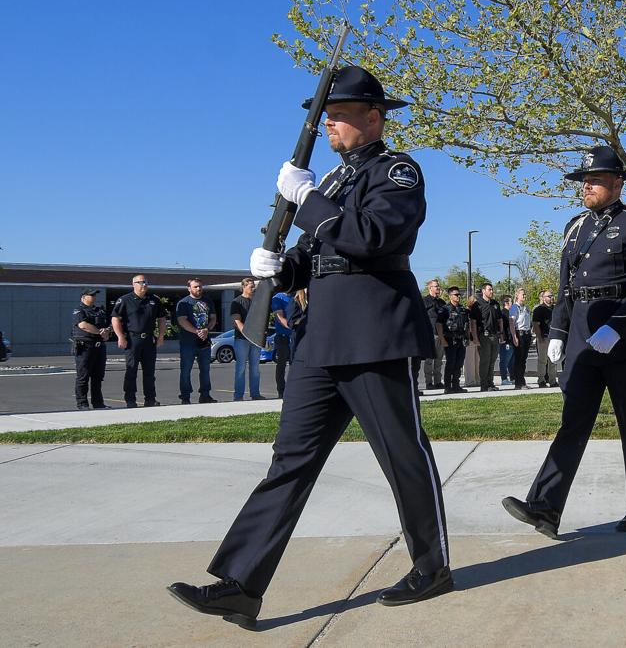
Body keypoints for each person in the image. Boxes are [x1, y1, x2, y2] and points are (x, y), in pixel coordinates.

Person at [167, 65, 451, 627]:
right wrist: (279, 266)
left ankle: (432, 564)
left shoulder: (398, 172)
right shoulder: (335, 183)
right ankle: (240, 583)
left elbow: (369, 238)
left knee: (403, 457)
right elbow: (318, 253)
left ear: (374, 118)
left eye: (340, 116)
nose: (329, 127)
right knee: (289, 461)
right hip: (321, 340)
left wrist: (308, 201)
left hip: (374, 336)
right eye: (327, 118)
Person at [501, 145, 626, 537]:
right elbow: (566, 286)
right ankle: (545, 508)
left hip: (623, 335)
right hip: (580, 332)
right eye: (584, 181)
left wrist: (620, 325)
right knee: (573, 420)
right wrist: (558, 331)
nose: (586, 187)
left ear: (617, 183)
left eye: (594, 180)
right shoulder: (575, 227)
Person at [110, 274, 167, 408]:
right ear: (133, 284)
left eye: (146, 282)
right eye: (141, 282)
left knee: (149, 372)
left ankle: (150, 399)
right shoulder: (124, 300)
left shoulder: (154, 300)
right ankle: (130, 400)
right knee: (131, 371)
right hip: (132, 339)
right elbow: (115, 318)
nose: (144, 285)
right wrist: (120, 336)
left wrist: (161, 336)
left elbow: (162, 319)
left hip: (148, 339)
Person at [176, 278, 217, 404]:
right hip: (188, 342)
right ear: (189, 288)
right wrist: (197, 331)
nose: (198, 289)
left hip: (204, 342)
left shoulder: (207, 301)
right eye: (195, 287)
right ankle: (185, 396)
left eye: (200, 286)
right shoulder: (183, 303)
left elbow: (213, 318)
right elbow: (182, 320)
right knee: (186, 370)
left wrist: (207, 329)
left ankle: (205, 395)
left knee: (205, 369)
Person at [71, 288, 111, 410]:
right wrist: (100, 332)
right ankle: (82, 403)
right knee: (83, 376)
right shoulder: (79, 310)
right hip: (85, 347)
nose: (93, 297)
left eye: (94, 295)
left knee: (98, 377)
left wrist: (107, 330)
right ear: (83, 297)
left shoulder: (99, 311)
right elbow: (83, 325)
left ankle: (98, 403)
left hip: (99, 347)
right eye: (91, 295)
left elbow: (109, 325)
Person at [229, 278, 265, 401]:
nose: (253, 288)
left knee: (255, 368)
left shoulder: (258, 301)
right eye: (251, 286)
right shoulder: (236, 302)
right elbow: (237, 321)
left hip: (256, 340)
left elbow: (261, 319)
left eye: (254, 286)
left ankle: (255, 394)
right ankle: (238, 396)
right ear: (243, 287)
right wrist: (248, 334)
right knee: (241, 368)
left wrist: (260, 334)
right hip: (242, 340)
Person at [470, 283, 502, 391]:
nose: (492, 291)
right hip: (483, 336)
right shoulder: (477, 305)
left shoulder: (495, 304)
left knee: (492, 361)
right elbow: (473, 322)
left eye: (492, 289)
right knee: (485, 360)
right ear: (483, 291)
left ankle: (490, 383)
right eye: (489, 289)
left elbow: (499, 320)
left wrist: (501, 333)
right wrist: (475, 337)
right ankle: (484, 385)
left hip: (495, 335)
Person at [438, 286, 470, 393]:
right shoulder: (445, 309)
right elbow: (439, 324)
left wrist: (467, 337)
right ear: (450, 296)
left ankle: (456, 385)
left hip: (461, 340)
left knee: (459, 363)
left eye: (459, 294)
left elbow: (467, 324)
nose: (458, 296)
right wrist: (442, 338)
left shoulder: (463, 309)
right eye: (456, 295)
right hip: (450, 339)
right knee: (450, 363)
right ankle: (448, 387)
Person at [422, 279, 446, 392]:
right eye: (436, 286)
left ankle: (437, 381)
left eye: (438, 286)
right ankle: (429, 382)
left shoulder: (441, 302)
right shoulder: (425, 301)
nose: (438, 288)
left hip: (440, 334)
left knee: (439, 359)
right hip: (429, 334)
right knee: (429, 360)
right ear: (430, 288)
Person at [531, 289, 557, 387]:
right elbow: (535, 325)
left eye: (552, 296)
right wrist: (540, 338)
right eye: (549, 296)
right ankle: (541, 380)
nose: (551, 298)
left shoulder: (556, 308)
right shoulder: (539, 309)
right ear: (544, 298)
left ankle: (553, 380)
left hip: (554, 338)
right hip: (544, 337)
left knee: (553, 360)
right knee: (543, 360)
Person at [270, 291, 292, 397]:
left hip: (295, 336)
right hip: (283, 336)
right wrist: (293, 327)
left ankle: (294, 389)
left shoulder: (296, 296)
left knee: (296, 364)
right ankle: (281, 391)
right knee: (281, 364)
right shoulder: (277, 298)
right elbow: (280, 318)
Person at [509, 288, 533, 389]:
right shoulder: (515, 307)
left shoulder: (526, 308)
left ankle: (522, 380)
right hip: (520, 333)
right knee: (519, 359)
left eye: (525, 294)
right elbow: (512, 323)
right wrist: (514, 337)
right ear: (517, 295)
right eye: (523, 294)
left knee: (523, 359)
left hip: (527, 334)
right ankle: (518, 383)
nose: (524, 296)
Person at [498, 294, 515, 386]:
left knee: (512, 360)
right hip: (506, 341)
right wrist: (503, 338)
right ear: (506, 303)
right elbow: (502, 327)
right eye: (511, 301)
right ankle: (504, 378)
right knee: (504, 360)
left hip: (512, 340)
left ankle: (512, 377)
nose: (512, 303)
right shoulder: (503, 313)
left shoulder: (511, 313)